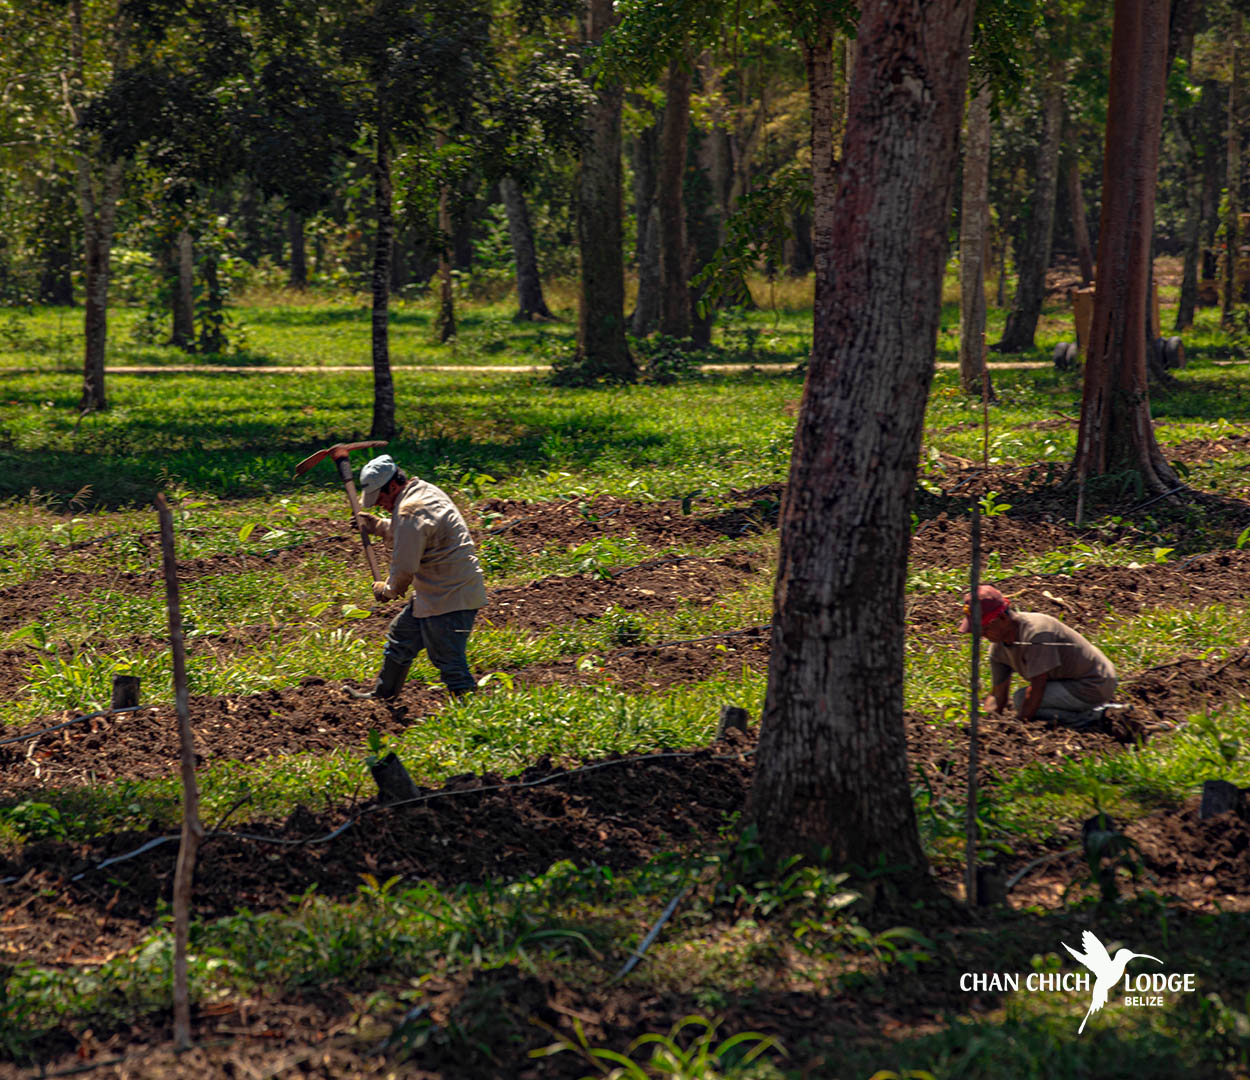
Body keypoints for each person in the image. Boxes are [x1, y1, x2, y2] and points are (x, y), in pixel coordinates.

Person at [344, 454, 487, 701]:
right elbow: (413, 533)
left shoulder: (411, 509)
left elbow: (405, 568)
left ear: (392, 486)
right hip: (440, 591)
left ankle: (475, 719)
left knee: (449, 661)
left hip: (450, 598)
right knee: (401, 638)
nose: (381, 505)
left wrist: (386, 590)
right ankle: (383, 695)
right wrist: (379, 525)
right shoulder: (423, 492)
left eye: (381, 500)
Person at [958, 585, 1118, 725]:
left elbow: (1037, 689)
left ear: (1002, 618)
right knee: (1025, 704)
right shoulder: (998, 648)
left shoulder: (1036, 634)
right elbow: (998, 694)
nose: (982, 635)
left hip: (1095, 682)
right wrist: (987, 722)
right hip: (1067, 683)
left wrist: (1017, 726)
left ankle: (1095, 717)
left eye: (985, 629)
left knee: (1023, 702)